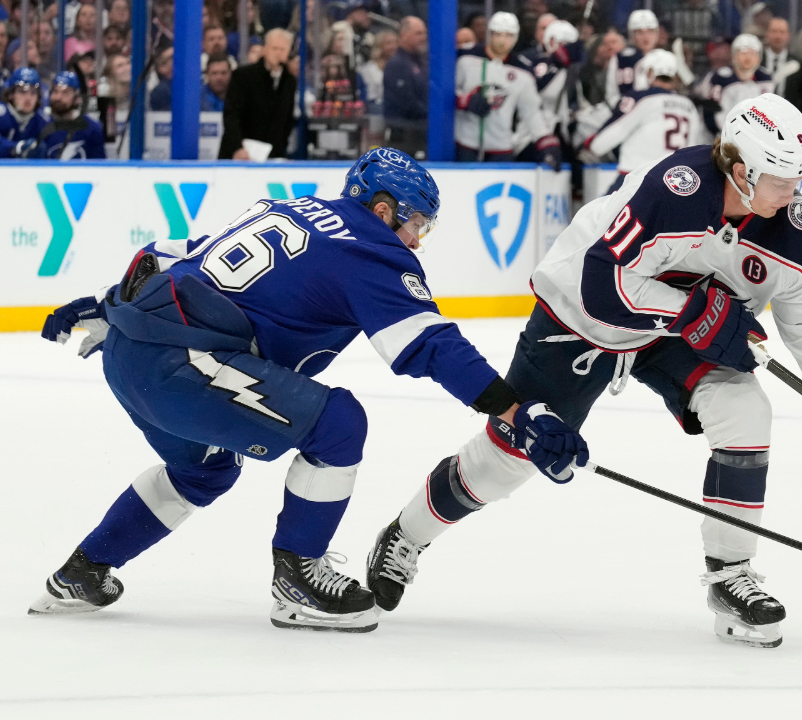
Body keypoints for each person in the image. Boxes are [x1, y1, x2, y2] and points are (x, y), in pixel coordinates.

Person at [363, 94, 802, 649]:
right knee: (512, 454)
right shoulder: (673, 189)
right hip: (583, 317)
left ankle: (730, 575)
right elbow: (605, 284)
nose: (798, 194)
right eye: (784, 180)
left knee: (746, 408)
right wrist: (696, 313)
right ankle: (405, 535)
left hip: (671, 332)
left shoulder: (792, 227)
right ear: (743, 172)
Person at [29, 148, 589, 631]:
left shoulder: (286, 207)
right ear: (383, 209)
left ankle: (81, 572)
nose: (416, 242)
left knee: (205, 470)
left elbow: (176, 252)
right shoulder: (372, 247)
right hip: (183, 363)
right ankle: (298, 579)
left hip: (130, 348)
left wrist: (100, 303)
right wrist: (518, 409)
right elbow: (431, 344)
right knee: (338, 425)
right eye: (417, 224)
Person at [587, 49, 704, 193]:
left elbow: (608, 137)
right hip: (675, 183)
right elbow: (695, 146)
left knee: (604, 214)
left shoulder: (642, 98)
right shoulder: (689, 106)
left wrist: (591, 146)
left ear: (649, 73)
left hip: (637, 178)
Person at [454, 12, 558, 166]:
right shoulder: (465, 57)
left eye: (508, 35)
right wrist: (465, 100)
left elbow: (531, 112)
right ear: (489, 34)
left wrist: (546, 142)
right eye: (497, 34)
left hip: (500, 149)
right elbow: (445, 91)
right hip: (465, 144)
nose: (502, 40)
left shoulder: (522, 72)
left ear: (515, 38)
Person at [218, 28, 296, 160]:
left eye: (282, 50)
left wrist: (279, 149)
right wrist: (237, 147)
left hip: (272, 156)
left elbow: (286, 120)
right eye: (274, 48)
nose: (278, 53)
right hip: (240, 154)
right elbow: (232, 115)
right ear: (265, 49)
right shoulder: (243, 76)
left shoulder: (290, 81)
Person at [513, 20, 581, 163]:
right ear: (551, 41)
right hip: (529, 135)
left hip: (559, 132)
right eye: (564, 44)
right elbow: (536, 90)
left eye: (571, 46)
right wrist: (555, 64)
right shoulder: (537, 62)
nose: (568, 50)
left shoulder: (572, 70)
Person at [699, 33, 773, 133]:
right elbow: (710, 111)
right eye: (743, 53)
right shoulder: (721, 78)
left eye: (752, 53)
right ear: (734, 55)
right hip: (724, 137)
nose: (748, 57)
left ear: (759, 57)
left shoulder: (766, 79)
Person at [32, 71, 105, 160]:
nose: (58, 97)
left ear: (77, 98)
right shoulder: (38, 124)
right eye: (55, 91)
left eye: (65, 93)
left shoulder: (92, 129)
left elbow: (99, 167)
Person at [383, 16, 428, 158]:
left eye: (424, 33)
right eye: (418, 33)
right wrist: (433, 115)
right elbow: (407, 103)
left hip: (420, 134)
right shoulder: (397, 64)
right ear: (403, 35)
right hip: (404, 138)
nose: (423, 37)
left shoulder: (421, 62)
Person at [761, 18, 802, 121]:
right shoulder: (757, 62)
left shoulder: (801, 66)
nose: (778, 36)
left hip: (789, 121)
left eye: (782, 32)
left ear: (788, 36)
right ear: (767, 34)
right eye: (774, 31)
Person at [605, 9, 660, 108]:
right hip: (626, 112)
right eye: (640, 32)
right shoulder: (620, 58)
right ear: (632, 34)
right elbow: (611, 93)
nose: (646, 37)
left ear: (657, 33)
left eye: (650, 31)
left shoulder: (665, 58)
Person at [0, 68, 49, 159]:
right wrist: (15, 148)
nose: (28, 98)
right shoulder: (2, 115)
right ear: (11, 94)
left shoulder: (41, 122)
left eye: (33, 93)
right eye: (22, 92)